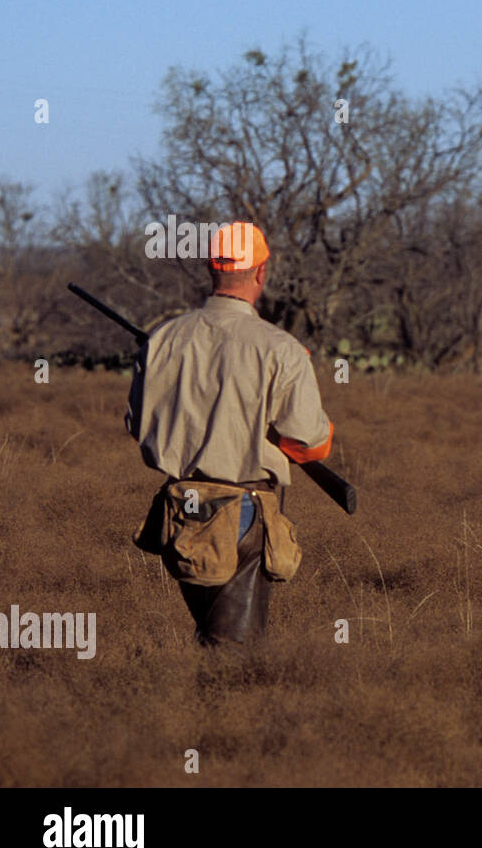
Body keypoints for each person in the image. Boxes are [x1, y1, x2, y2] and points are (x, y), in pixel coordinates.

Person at [126, 222, 333, 646]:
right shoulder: (281, 349)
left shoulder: (163, 339)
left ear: (209, 268)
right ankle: (222, 711)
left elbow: (138, 426)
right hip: (242, 509)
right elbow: (310, 445)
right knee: (235, 656)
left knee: (212, 638)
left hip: (177, 510)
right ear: (261, 273)